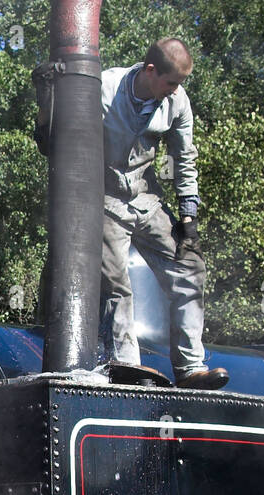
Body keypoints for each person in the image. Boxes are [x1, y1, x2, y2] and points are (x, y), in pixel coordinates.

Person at [100, 38, 228, 389]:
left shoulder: (177, 101)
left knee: (190, 266)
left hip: (145, 196)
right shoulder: (105, 90)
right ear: (150, 70)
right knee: (115, 281)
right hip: (104, 198)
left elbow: (184, 158)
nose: (176, 90)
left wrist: (189, 215)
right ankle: (126, 366)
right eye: (172, 82)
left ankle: (190, 368)